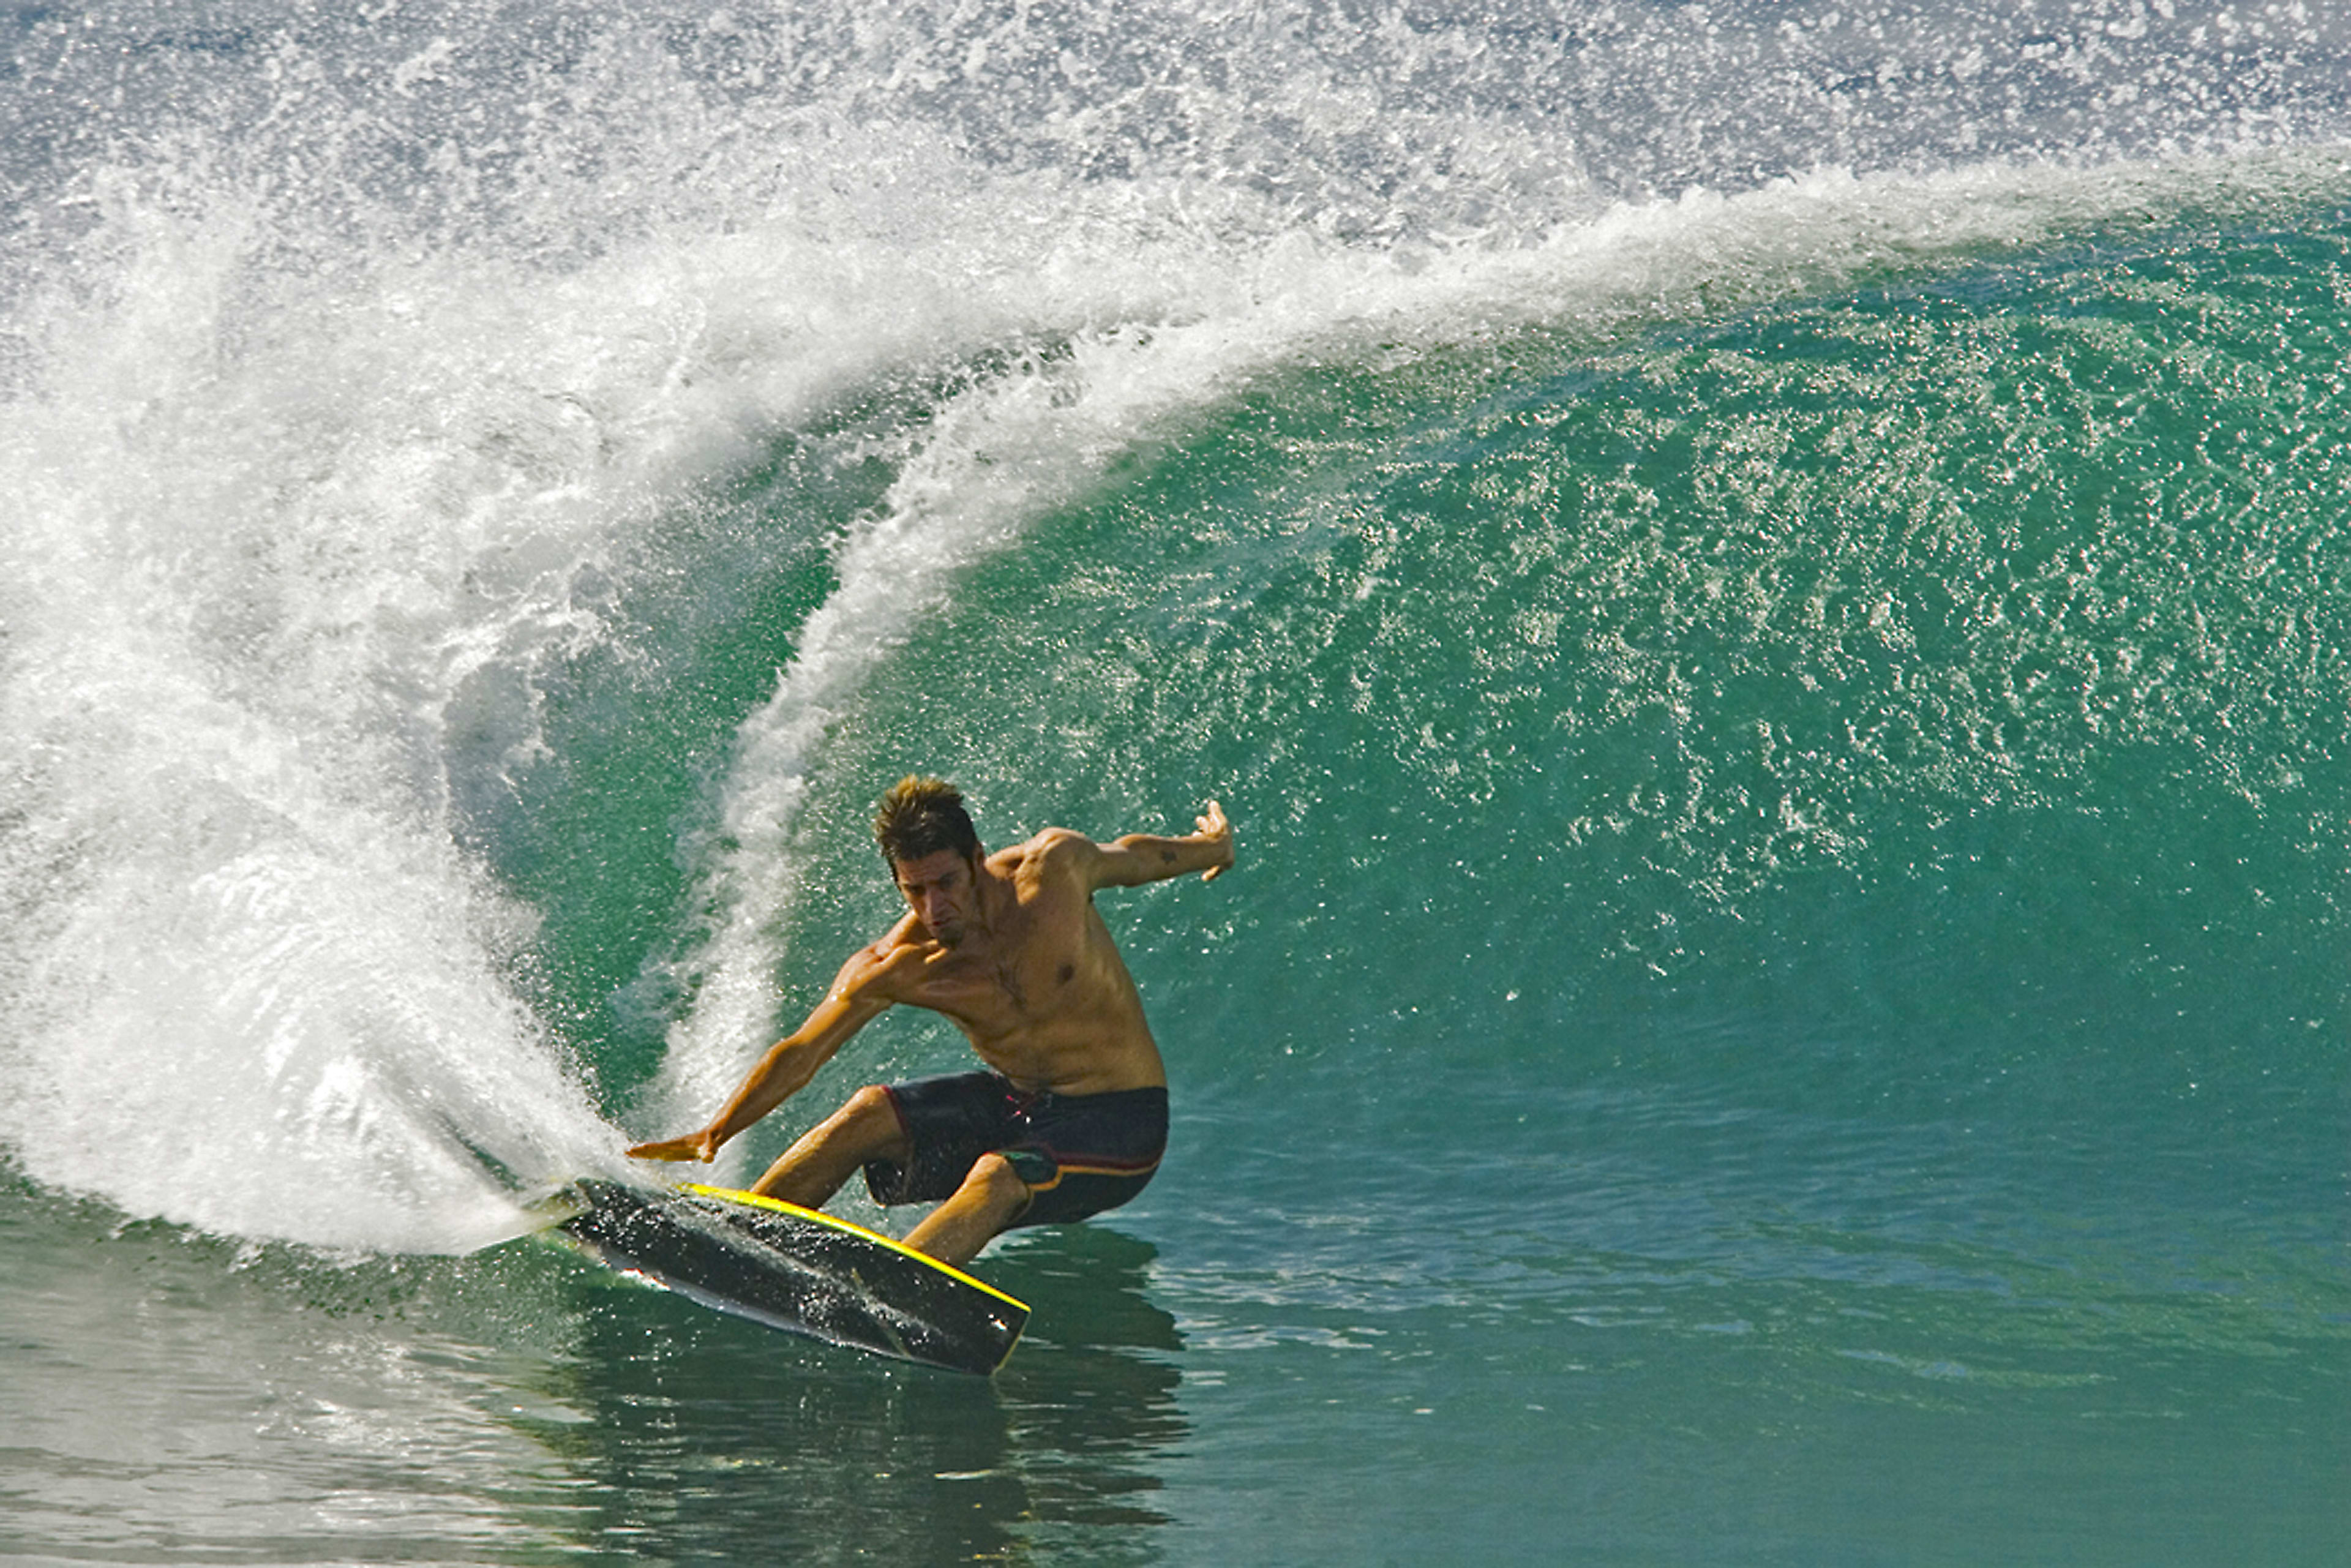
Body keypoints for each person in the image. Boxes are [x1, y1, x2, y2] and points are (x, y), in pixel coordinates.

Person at [627, 777, 1234, 1266]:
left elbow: (1134, 857)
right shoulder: (900, 966)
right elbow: (803, 1050)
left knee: (997, 1175)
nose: (934, 908)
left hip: (1122, 1118)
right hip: (1022, 1104)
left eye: (946, 882)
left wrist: (1211, 848)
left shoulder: (1054, 873)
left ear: (977, 859)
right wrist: (718, 1130)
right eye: (914, 890)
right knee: (867, 1112)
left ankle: (895, 1292)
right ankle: (739, 1245)